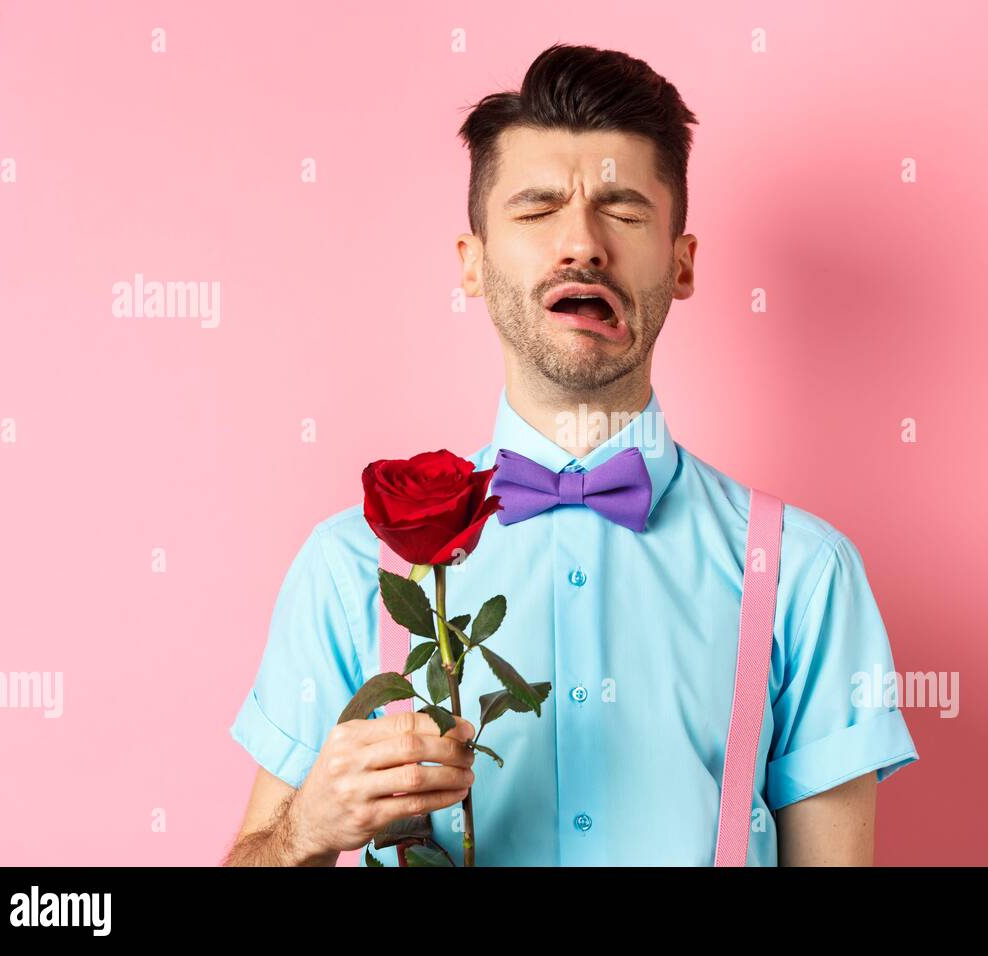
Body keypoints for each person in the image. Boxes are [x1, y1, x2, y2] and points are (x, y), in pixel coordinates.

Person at [223, 42, 918, 867]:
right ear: (472, 264)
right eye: (538, 208)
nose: (582, 243)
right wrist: (306, 830)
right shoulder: (346, 569)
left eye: (622, 210)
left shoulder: (805, 573)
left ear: (683, 262)